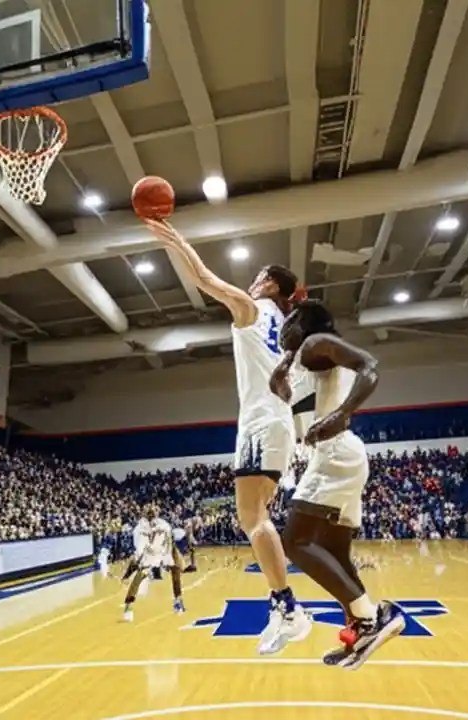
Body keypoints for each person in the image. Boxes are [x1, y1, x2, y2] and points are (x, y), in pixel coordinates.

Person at [143, 218, 310, 653]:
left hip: (259, 424)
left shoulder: (253, 310)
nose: (252, 282)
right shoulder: (286, 334)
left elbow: (203, 279)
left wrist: (176, 239)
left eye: (259, 278)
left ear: (271, 285)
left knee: (252, 517)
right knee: (256, 518)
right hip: (276, 423)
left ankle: (289, 610)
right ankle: (284, 607)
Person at [269, 300, 405, 670]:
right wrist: (284, 359)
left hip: (335, 453)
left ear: (307, 323)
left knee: (294, 542)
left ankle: (371, 617)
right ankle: (362, 629)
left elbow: (370, 366)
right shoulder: (301, 361)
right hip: (334, 458)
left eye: (292, 319)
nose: (285, 325)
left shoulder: (316, 344)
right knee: (337, 555)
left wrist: (342, 413)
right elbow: (279, 391)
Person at [122, 505, 184, 621]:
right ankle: (128, 604)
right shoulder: (140, 528)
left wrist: (168, 556)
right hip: (149, 552)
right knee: (141, 574)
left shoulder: (164, 525)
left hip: (164, 550)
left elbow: (169, 540)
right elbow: (139, 548)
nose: (152, 515)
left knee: (175, 570)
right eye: (149, 513)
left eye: (154, 512)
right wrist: (140, 559)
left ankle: (178, 600)